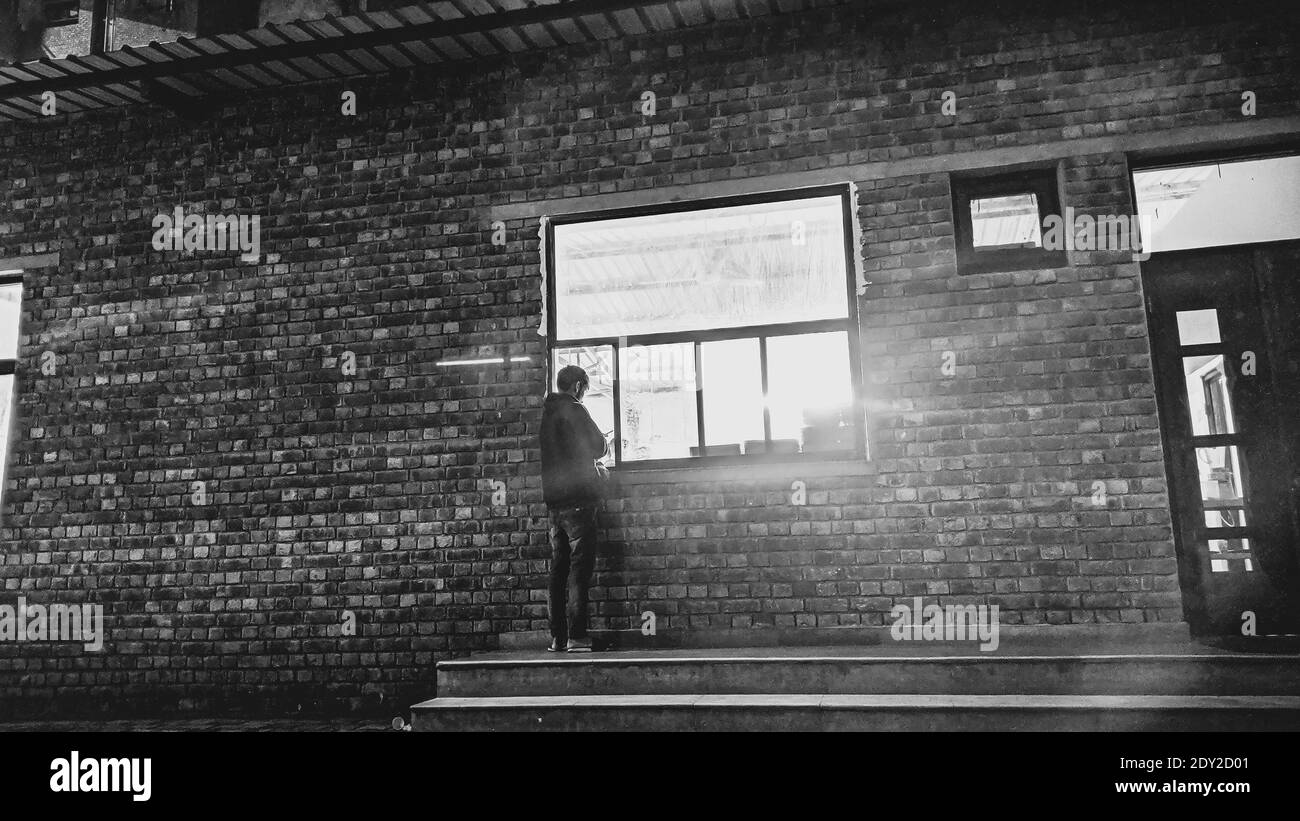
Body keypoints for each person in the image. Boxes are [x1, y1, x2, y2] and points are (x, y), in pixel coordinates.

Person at [540, 365, 609, 652]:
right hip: (579, 500)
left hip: (555, 503)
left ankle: (558, 637)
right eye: (586, 387)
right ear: (579, 385)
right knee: (579, 571)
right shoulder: (575, 409)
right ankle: (577, 637)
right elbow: (598, 446)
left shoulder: (549, 412)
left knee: (559, 570)